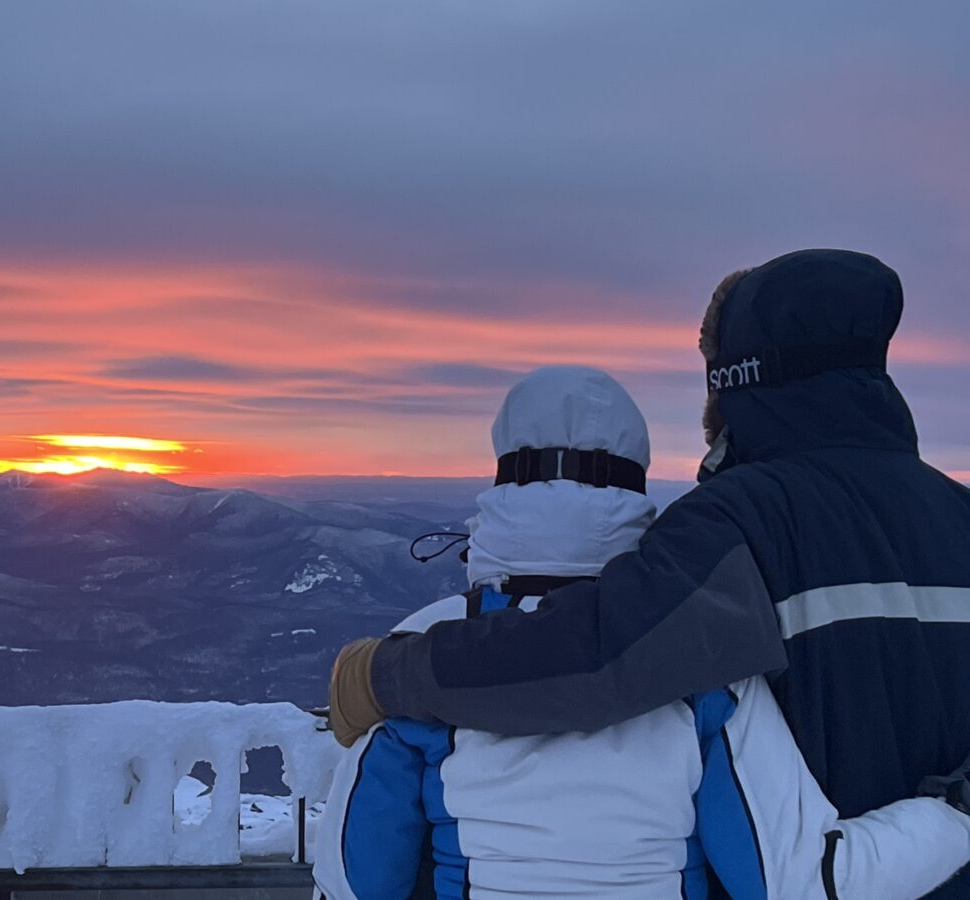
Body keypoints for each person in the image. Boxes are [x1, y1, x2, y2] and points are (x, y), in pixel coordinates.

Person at [327, 250, 970, 896]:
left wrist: (387, 675)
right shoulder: (957, 514)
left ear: (742, 384)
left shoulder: (740, 524)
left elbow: (592, 653)